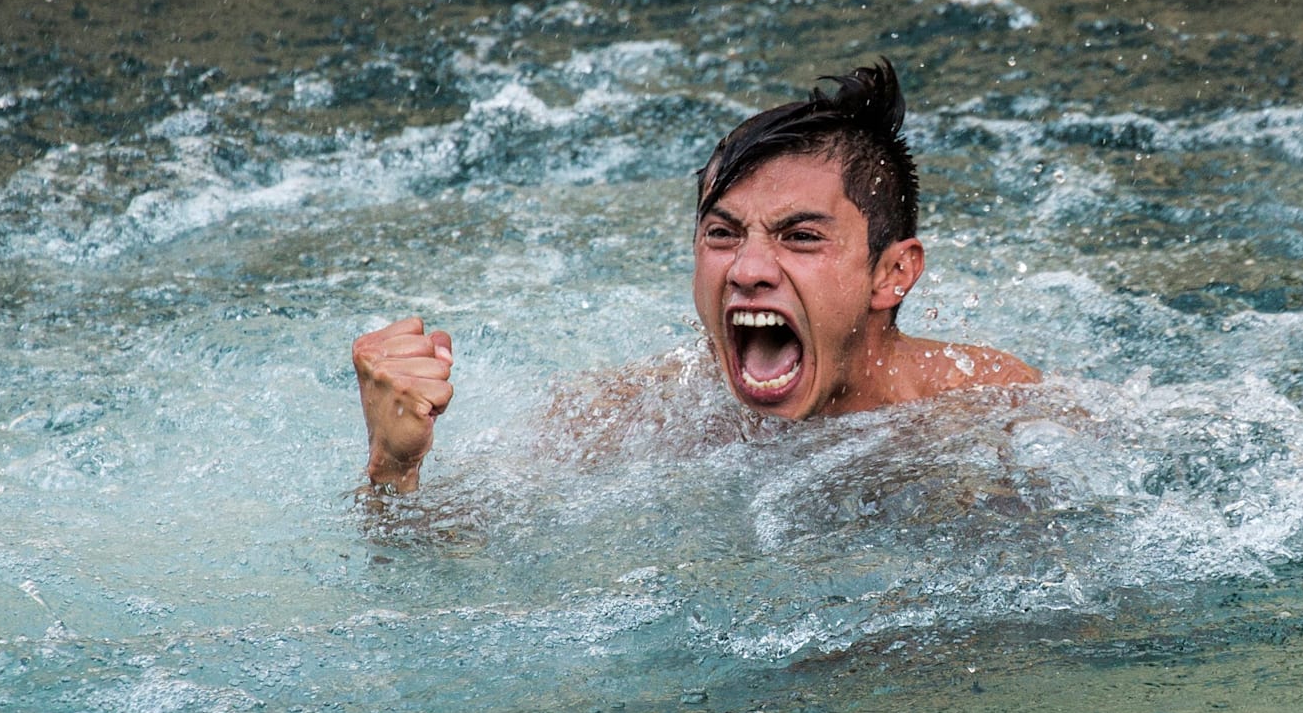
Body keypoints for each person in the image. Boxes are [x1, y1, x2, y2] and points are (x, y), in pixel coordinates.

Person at [352, 59, 1039, 494]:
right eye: (722, 234)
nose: (746, 269)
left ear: (893, 273)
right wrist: (395, 468)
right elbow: (436, 569)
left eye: (800, 237)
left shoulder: (989, 413)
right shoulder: (635, 418)